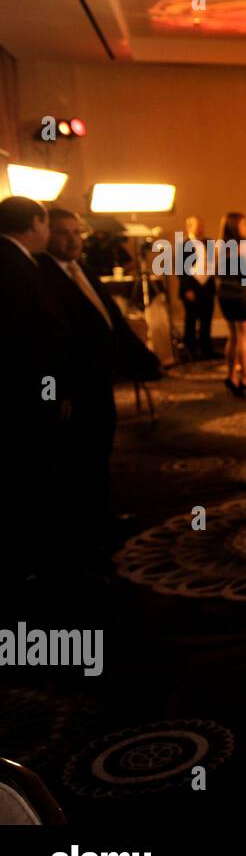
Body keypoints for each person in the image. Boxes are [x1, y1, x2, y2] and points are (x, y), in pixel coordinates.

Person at [38, 208, 159, 571]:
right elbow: (50, 339)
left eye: (77, 233)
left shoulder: (82, 269)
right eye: (63, 233)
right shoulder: (41, 277)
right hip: (76, 384)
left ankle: (101, 517)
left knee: (99, 448)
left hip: (99, 379)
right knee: (78, 456)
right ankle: (83, 534)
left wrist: (142, 359)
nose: (73, 240)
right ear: (45, 235)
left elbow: (110, 320)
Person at [0, 197, 68, 585]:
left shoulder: (13, 259)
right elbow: (30, 338)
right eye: (46, 224)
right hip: (27, 391)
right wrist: (53, 392)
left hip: (28, 386)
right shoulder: (14, 264)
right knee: (30, 467)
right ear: (34, 223)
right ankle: (31, 561)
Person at [215, 211, 246, 399]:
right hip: (242, 295)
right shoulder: (243, 246)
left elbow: (215, 273)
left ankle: (231, 376)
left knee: (232, 337)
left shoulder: (219, 247)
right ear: (236, 227)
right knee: (245, 340)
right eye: (244, 224)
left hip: (225, 294)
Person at [179, 215, 216, 359]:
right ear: (189, 227)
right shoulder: (183, 244)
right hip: (191, 288)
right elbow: (181, 268)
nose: (200, 228)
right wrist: (187, 289)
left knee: (206, 320)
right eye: (197, 225)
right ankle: (190, 349)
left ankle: (206, 349)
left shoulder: (209, 242)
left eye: (202, 225)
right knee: (191, 319)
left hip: (207, 287)